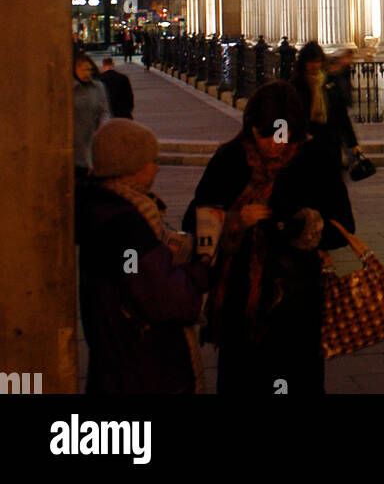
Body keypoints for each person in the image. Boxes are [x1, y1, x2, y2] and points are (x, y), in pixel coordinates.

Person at [186, 80, 354, 396]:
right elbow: (194, 219)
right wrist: (234, 221)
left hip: (295, 305)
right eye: (264, 135)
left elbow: (343, 226)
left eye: (282, 134)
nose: (274, 144)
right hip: (240, 307)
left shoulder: (314, 159)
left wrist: (304, 227)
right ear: (250, 128)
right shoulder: (231, 159)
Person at [77, 118, 208, 394]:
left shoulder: (100, 207)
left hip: (116, 359)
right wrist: (199, 272)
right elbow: (164, 297)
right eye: (151, 161)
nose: (156, 167)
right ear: (130, 169)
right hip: (144, 364)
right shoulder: (127, 224)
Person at [292, 41, 361, 173]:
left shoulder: (329, 83)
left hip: (329, 141)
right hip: (305, 143)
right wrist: (281, 140)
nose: (314, 66)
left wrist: (352, 143)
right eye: (311, 62)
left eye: (317, 61)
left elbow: (341, 115)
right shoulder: (296, 86)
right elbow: (283, 117)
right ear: (303, 63)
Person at [74, 48, 109, 177]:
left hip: (92, 136)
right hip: (75, 139)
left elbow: (104, 111)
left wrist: (102, 127)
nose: (86, 73)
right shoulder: (71, 88)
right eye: (83, 69)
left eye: (89, 69)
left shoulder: (98, 87)